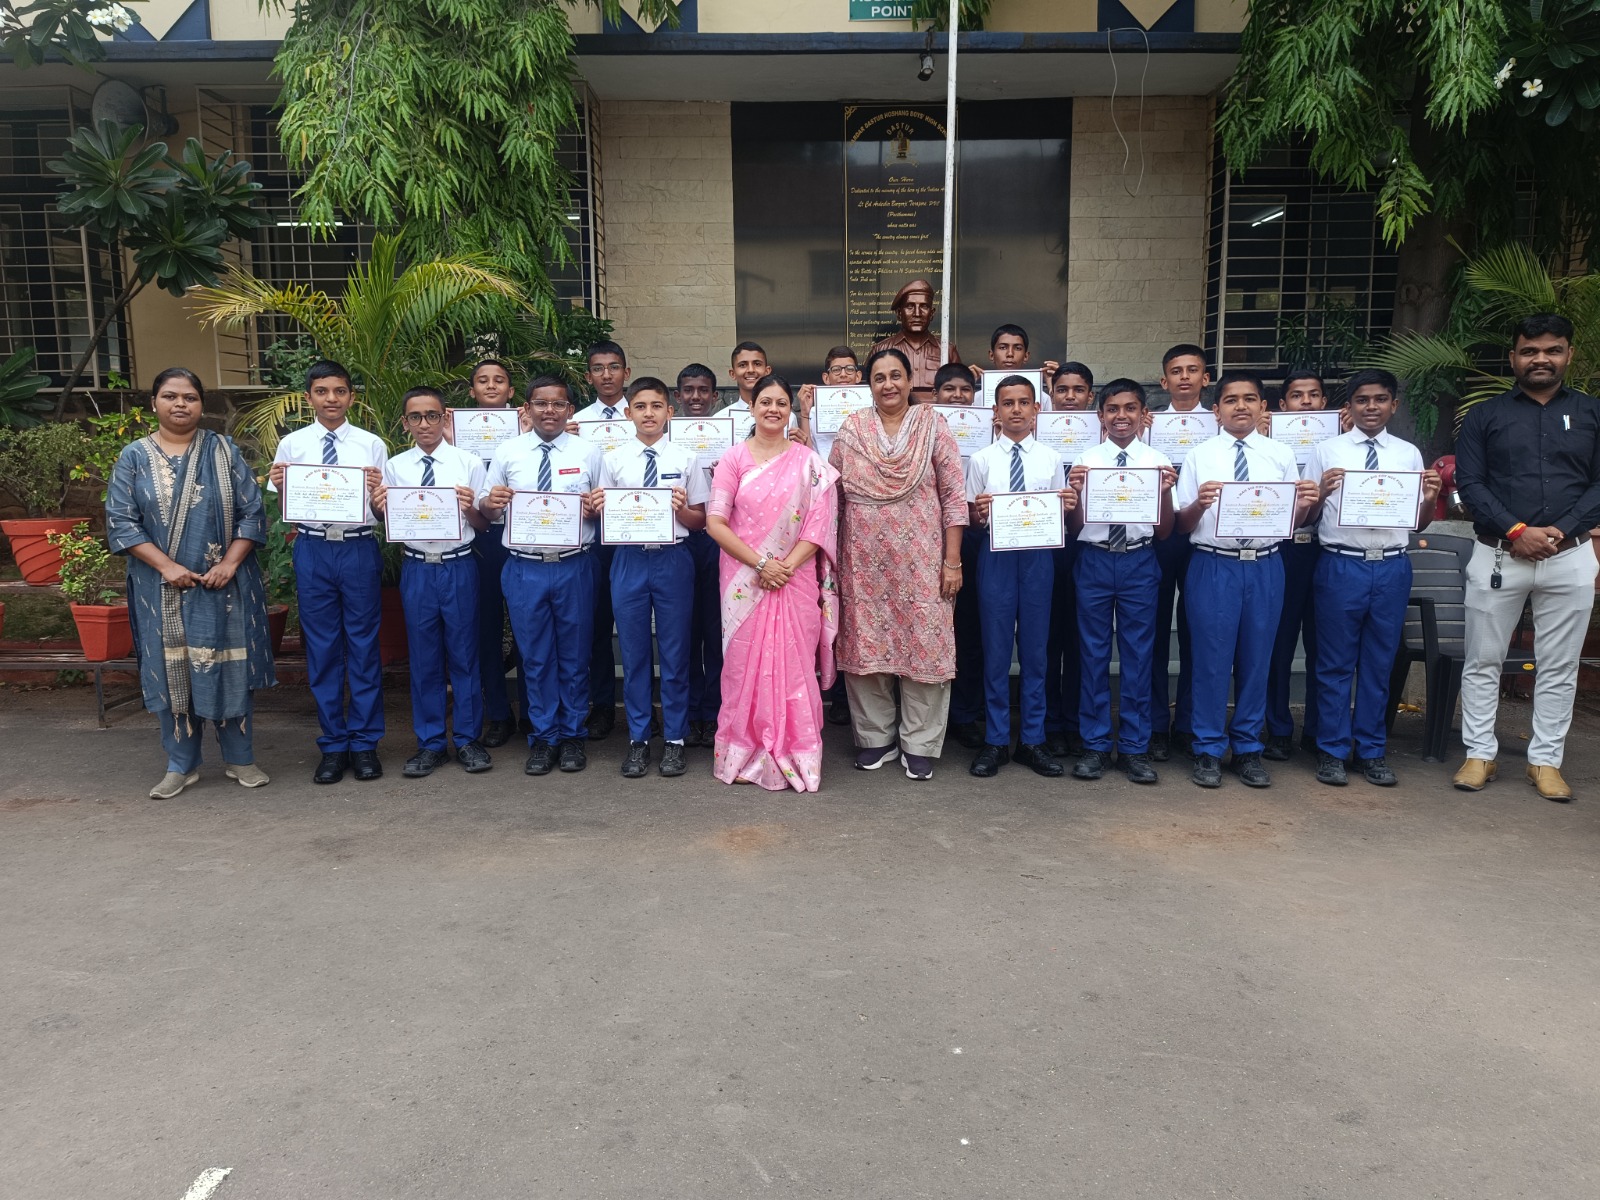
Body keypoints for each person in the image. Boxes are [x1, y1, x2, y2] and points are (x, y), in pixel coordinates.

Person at [106, 368, 276, 799]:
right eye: (170, 396)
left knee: (230, 663)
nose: (180, 404)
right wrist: (166, 567)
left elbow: (252, 514)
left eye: (190, 397)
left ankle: (241, 758)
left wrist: (230, 565)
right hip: (162, 588)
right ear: (155, 404)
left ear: (202, 404)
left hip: (225, 585)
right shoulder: (135, 457)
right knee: (170, 667)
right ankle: (181, 764)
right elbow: (121, 522)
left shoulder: (224, 451)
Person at [1453, 312, 1600, 801]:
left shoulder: (1592, 413)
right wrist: (1517, 530)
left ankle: (1546, 761)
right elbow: (1470, 484)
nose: (1541, 359)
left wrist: (1557, 531)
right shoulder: (1486, 416)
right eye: (1530, 351)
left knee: (1558, 664)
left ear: (1568, 355)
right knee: (1483, 659)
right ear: (1514, 357)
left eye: (1552, 350)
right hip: (1499, 554)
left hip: (1570, 554)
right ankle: (1479, 754)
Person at [1175, 370, 1319, 789]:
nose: (1241, 406)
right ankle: (1207, 747)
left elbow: (1292, 522)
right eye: (1232, 399)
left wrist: (1308, 505)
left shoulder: (1279, 455)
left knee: (1258, 659)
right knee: (1210, 660)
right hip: (1213, 563)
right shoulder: (1201, 455)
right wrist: (1200, 504)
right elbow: (1182, 523)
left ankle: (1249, 747)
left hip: (1265, 564)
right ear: (1216, 409)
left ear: (1263, 407)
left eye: (1250, 398)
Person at [829, 347, 968, 780]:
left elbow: (954, 497)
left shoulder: (933, 424)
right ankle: (875, 738)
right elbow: (828, 492)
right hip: (863, 563)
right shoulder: (852, 429)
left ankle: (920, 742)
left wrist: (952, 562)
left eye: (895, 376)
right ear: (868, 385)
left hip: (923, 561)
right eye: (878, 377)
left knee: (923, 646)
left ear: (910, 381)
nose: (888, 384)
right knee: (866, 647)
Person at [1302, 369, 1440, 787]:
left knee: (1379, 662)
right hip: (1342, 563)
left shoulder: (1407, 454)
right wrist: (1322, 493)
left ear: (1393, 405)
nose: (1371, 407)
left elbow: (1418, 523)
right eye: (1362, 400)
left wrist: (1430, 499)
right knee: (1334, 663)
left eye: (1380, 399)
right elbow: (1305, 518)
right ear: (1350, 406)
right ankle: (1331, 749)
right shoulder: (1326, 451)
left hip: (1393, 565)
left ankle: (1372, 750)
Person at [706, 374, 840, 791]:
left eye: (782, 403)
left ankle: (795, 753)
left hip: (793, 580)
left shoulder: (810, 464)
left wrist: (784, 567)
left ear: (790, 411)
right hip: (745, 580)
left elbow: (820, 526)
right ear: (751, 406)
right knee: (743, 665)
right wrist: (763, 564)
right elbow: (714, 522)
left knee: (794, 668)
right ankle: (744, 752)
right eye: (766, 401)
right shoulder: (733, 459)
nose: (773, 409)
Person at [268, 360, 387, 784]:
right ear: (309, 398)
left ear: (351, 396)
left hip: (357, 549)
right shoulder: (293, 445)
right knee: (321, 649)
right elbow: (285, 506)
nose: (331, 399)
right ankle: (334, 745)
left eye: (339, 391)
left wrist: (378, 492)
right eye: (322, 391)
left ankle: (365, 743)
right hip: (314, 547)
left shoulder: (372, 445)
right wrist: (282, 485)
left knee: (363, 646)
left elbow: (381, 508)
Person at [480, 375, 604, 776]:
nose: (549, 410)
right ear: (527, 408)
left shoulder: (589, 452)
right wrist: (490, 502)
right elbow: (487, 510)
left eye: (557, 404)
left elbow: (607, 507)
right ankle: (543, 737)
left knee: (574, 655)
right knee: (535, 657)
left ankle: (571, 737)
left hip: (574, 565)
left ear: (569, 409)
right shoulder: (507, 451)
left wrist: (596, 508)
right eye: (541, 403)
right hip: (524, 568)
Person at [373, 386, 493, 778]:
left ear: (445, 418)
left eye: (432, 416)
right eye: (415, 417)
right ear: (404, 423)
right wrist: (380, 509)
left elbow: (484, 523)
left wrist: (469, 508)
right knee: (424, 658)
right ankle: (430, 743)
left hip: (458, 566)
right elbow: (392, 520)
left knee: (464, 654)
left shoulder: (469, 462)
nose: (424, 424)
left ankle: (469, 740)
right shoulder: (396, 466)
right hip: (417, 568)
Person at [593, 377, 709, 778]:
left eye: (656, 406)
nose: (648, 413)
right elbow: (601, 515)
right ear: (629, 414)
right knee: (636, 652)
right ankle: (639, 739)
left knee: (675, 653)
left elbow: (700, 519)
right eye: (640, 407)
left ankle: (674, 740)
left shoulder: (686, 458)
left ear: (669, 412)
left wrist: (681, 511)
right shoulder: (614, 460)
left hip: (673, 559)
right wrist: (598, 506)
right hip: (628, 559)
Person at [963, 376, 1074, 777]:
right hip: (995, 557)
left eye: (1023, 402)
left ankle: (1032, 739)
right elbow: (973, 522)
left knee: (1035, 652)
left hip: (1037, 559)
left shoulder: (1051, 458)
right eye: (1007, 403)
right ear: (995, 411)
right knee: (995, 651)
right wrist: (979, 512)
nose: (1015, 410)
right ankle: (996, 741)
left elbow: (1061, 516)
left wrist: (1065, 506)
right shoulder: (981, 460)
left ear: (1036, 409)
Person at [1066, 379, 1175, 784]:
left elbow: (1164, 532)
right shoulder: (1086, 460)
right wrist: (1074, 495)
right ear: (1101, 416)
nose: (1122, 416)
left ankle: (1134, 747)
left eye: (1130, 408)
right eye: (1113, 409)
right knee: (1092, 656)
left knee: (1137, 657)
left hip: (1139, 560)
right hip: (1094, 560)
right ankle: (1094, 745)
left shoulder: (1158, 462)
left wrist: (1164, 493)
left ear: (1144, 415)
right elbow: (1075, 527)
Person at [459, 358, 531, 749]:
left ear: (510, 391)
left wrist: (525, 431)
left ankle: (533, 713)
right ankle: (499, 714)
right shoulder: (455, 434)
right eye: (483, 381)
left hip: (527, 537)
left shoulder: (529, 429)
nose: (491, 386)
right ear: (472, 391)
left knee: (528, 631)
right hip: (482, 537)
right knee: (487, 628)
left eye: (499, 380)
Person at [1149, 343, 1212, 761]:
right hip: (1156, 533)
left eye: (1193, 370)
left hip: (1203, 536)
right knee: (1152, 632)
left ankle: (1188, 723)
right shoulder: (1147, 424)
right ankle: (1155, 724)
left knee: (1197, 633)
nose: (1184, 377)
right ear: (1164, 380)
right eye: (1176, 371)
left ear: (1206, 378)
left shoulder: (1223, 424)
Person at [1263, 370, 1329, 761]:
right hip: (1285, 549)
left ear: (1325, 404)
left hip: (1327, 549)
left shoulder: (1339, 445)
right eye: (1297, 396)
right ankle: (1279, 728)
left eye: (1314, 396)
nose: (1306, 402)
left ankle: (1319, 731)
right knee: (1279, 643)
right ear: (1282, 406)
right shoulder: (1269, 446)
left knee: (1323, 644)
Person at [796, 345, 862, 727]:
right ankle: (830, 688)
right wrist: (804, 414)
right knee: (827, 597)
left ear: (858, 377)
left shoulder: (870, 416)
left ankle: (849, 689)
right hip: (821, 518)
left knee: (851, 603)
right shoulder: (814, 414)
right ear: (825, 378)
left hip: (858, 515)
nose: (843, 376)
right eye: (836, 370)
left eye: (850, 370)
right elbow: (810, 465)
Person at [929, 361, 989, 750]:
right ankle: (927, 713)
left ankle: (965, 713)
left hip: (974, 535)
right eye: (948, 389)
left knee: (968, 626)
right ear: (936, 395)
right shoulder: (926, 429)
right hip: (930, 535)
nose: (957, 396)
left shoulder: (990, 432)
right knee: (929, 626)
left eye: (964, 390)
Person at [1042, 361, 1096, 758]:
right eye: (1062, 390)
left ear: (1090, 397)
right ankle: (1048, 723)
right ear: (1051, 395)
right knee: (1046, 639)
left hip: (1085, 543)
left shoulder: (1103, 437)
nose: (1070, 397)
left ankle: (1076, 722)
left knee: (1079, 640)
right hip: (1042, 543)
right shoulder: (1036, 436)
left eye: (1078, 390)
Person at [576, 340, 630, 740]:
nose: (607, 374)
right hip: (596, 540)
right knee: (596, 627)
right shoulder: (574, 424)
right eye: (598, 368)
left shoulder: (647, 415)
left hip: (635, 535)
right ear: (588, 375)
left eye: (614, 367)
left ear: (626, 373)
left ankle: (642, 708)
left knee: (633, 629)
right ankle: (601, 707)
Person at [675, 363, 726, 746]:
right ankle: (690, 712)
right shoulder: (666, 441)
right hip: (677, 539)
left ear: (714, 395)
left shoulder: (732, 441)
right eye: (689, 390)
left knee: (715, 629)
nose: (696, 397)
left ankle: (715, 711)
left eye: (703, 390)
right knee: (685, 630)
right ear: (677, 398)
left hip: (720, 538)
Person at [870, 279, 959, 400]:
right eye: (910, 306)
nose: (917, 313)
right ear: (899, 314)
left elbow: (959, 388)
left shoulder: (947, 350)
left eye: (924, 307)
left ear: (932, 313)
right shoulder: (881, 349)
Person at [723, 341, 805, 443]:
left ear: (767, 371)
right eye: (743, 365)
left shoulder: (787, 417)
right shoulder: (721, 418)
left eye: (757, 364)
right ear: (732, 373)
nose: (751, 370)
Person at [971, 323, 1060, 391]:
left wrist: (1056, 387)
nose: (1010, 354)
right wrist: (967, 385)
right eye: (1003, 347)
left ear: (1026, 356)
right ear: (991, 355)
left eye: (1017, 348)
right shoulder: (977, 398)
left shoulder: (1042, 398)